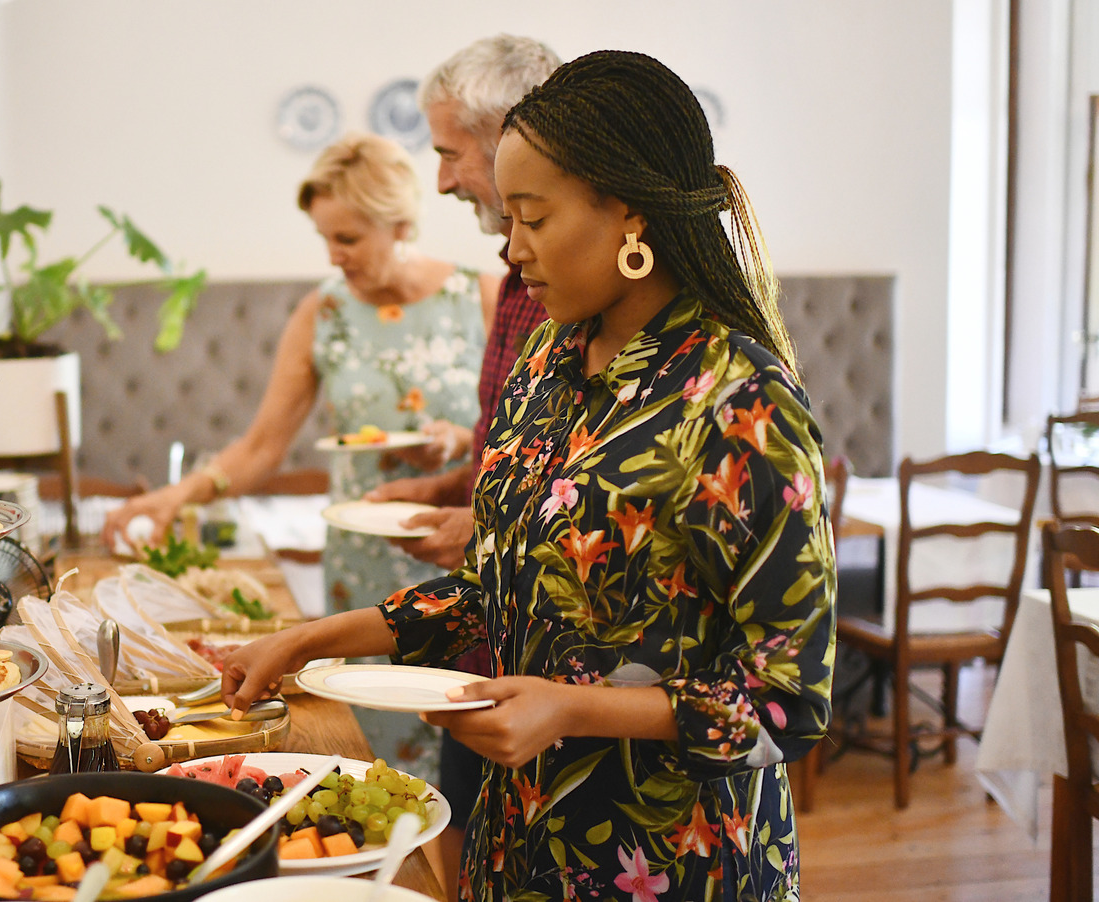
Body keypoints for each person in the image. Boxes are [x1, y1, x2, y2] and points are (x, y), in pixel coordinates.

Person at [221, 50, 835, 902]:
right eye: (508, 217)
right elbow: (496, 590)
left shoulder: (741, 403)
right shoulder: (550, 359)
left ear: (626, 213)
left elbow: (787, 700)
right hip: (521, 841)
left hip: (669, 861)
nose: (512, 248)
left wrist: (572, 708)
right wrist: (313, 640)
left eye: (534, 218)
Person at [100, 131, 497, 616]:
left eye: (347, 238)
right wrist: (175, 498)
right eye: (325, 238)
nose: (333, 256)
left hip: (465, 550)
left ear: (401, 224)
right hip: (360, 563)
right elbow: (261, 448)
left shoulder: (484, 298)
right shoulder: (323, 311)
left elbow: (526, 438)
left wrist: (460, 440)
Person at [360, 34, 560, 896]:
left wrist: (489, 520)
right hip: (483, 637)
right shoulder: (523, 273)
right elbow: (515, 454)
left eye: (448, 152)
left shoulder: (581, 293)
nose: (439, 180)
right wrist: (455, 491)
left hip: (548, 686)